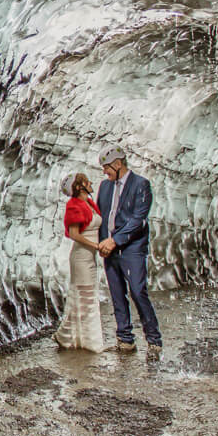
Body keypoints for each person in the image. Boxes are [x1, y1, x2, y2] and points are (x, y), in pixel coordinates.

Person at [96, 147, 162, 359]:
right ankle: (125, 339)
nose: (105, 172)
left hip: (131, 247)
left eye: (107, 168)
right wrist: (102, 244)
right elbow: (101, 216)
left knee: (137, 290)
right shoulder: (105, 187)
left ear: (118, 164)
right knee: (117, 294)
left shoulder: (141, 184)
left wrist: (114, 240)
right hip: (110, 248)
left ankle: (153, 339)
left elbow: (138, 220)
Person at [55, 172, 105, 352]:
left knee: (85, 297)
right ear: (78, 187)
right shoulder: (73, 206)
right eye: (86, 181)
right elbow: (75, 235)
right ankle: (86, 341)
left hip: (89, 256)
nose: (90, 182)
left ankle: (69, 336)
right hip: (81, 257)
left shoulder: (88, 204)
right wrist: (96, 245)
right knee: (86, 297)